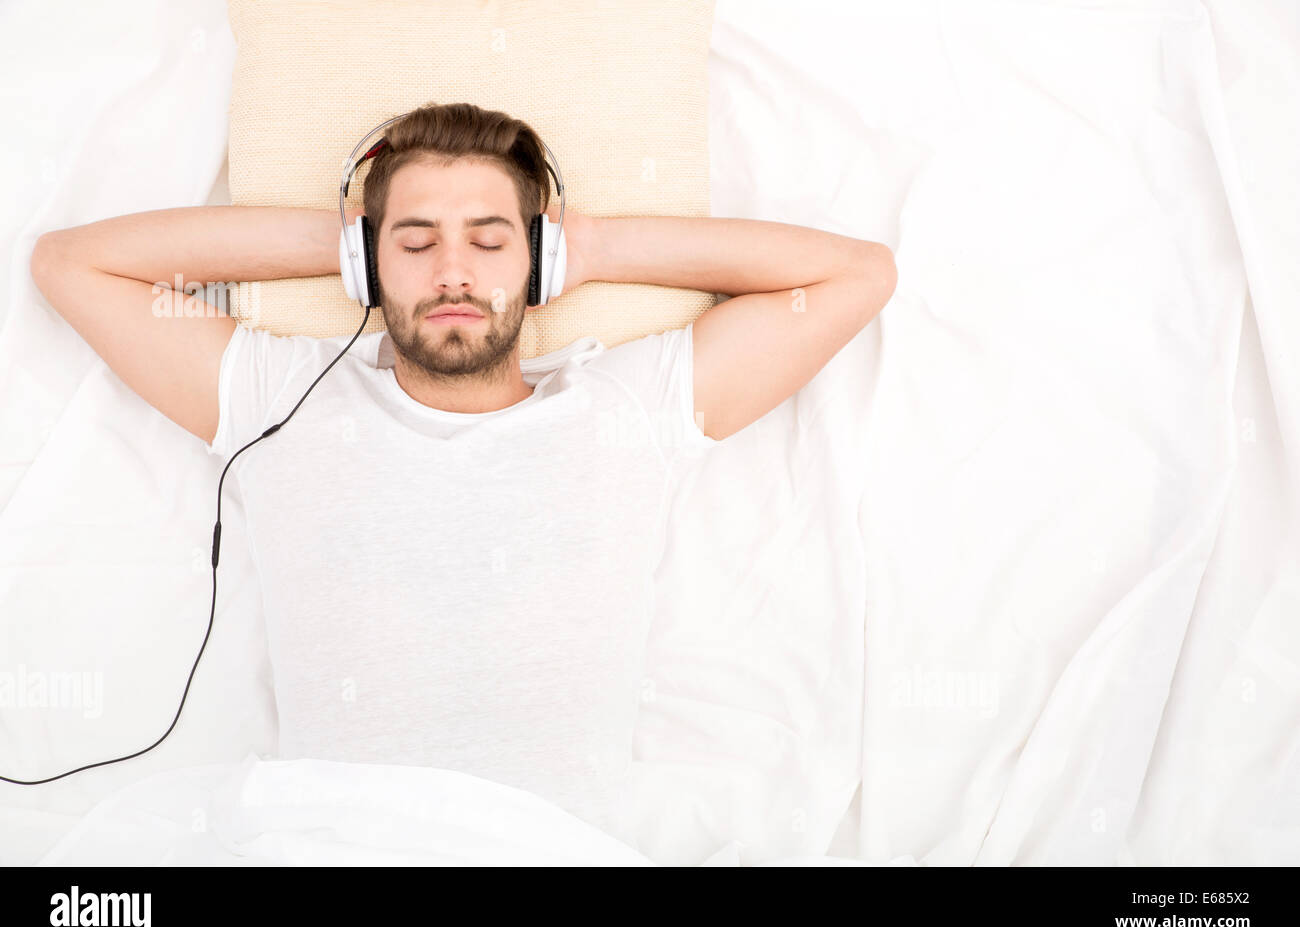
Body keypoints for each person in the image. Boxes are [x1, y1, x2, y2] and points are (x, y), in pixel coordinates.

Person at [27, 102, 896, 837]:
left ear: (536, 259)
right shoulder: (278, 402)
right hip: (330, 845)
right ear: (367, 261)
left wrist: (586, 247)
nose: (451, 272)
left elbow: (856, 273)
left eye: (489, 241)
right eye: (414, 243)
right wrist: (340, 242)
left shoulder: (631, 407)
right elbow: (71, 265)